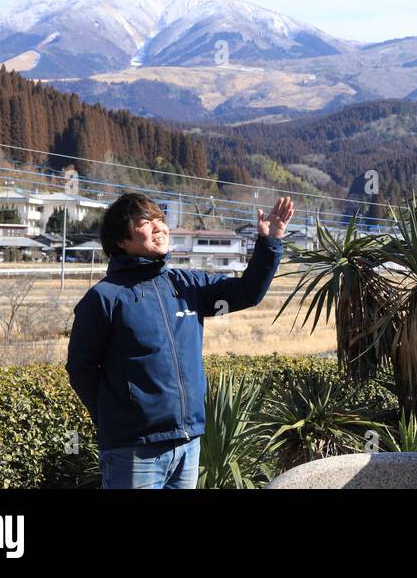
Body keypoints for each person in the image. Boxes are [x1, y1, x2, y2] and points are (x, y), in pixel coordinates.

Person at [66, 192, 293, 488]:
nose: (159, 226)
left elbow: (247, 292)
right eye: (145, 222)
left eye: (160, 218)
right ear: (122, 240)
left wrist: (270, 243)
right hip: (134, 451)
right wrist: (118, 419)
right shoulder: (105, 298)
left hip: (187, 444)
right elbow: (81, 370)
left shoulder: (186, 285)